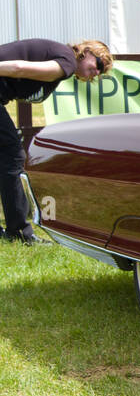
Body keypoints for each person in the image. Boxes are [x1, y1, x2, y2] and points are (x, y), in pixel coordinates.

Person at [0, 38, 112, 244]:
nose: (97, 72)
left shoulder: (61, 54)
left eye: (101, 72)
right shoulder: (67, 63)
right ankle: (18, 233)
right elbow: (17, 68)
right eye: (98, 65)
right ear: (86, 52)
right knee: (13, 154)